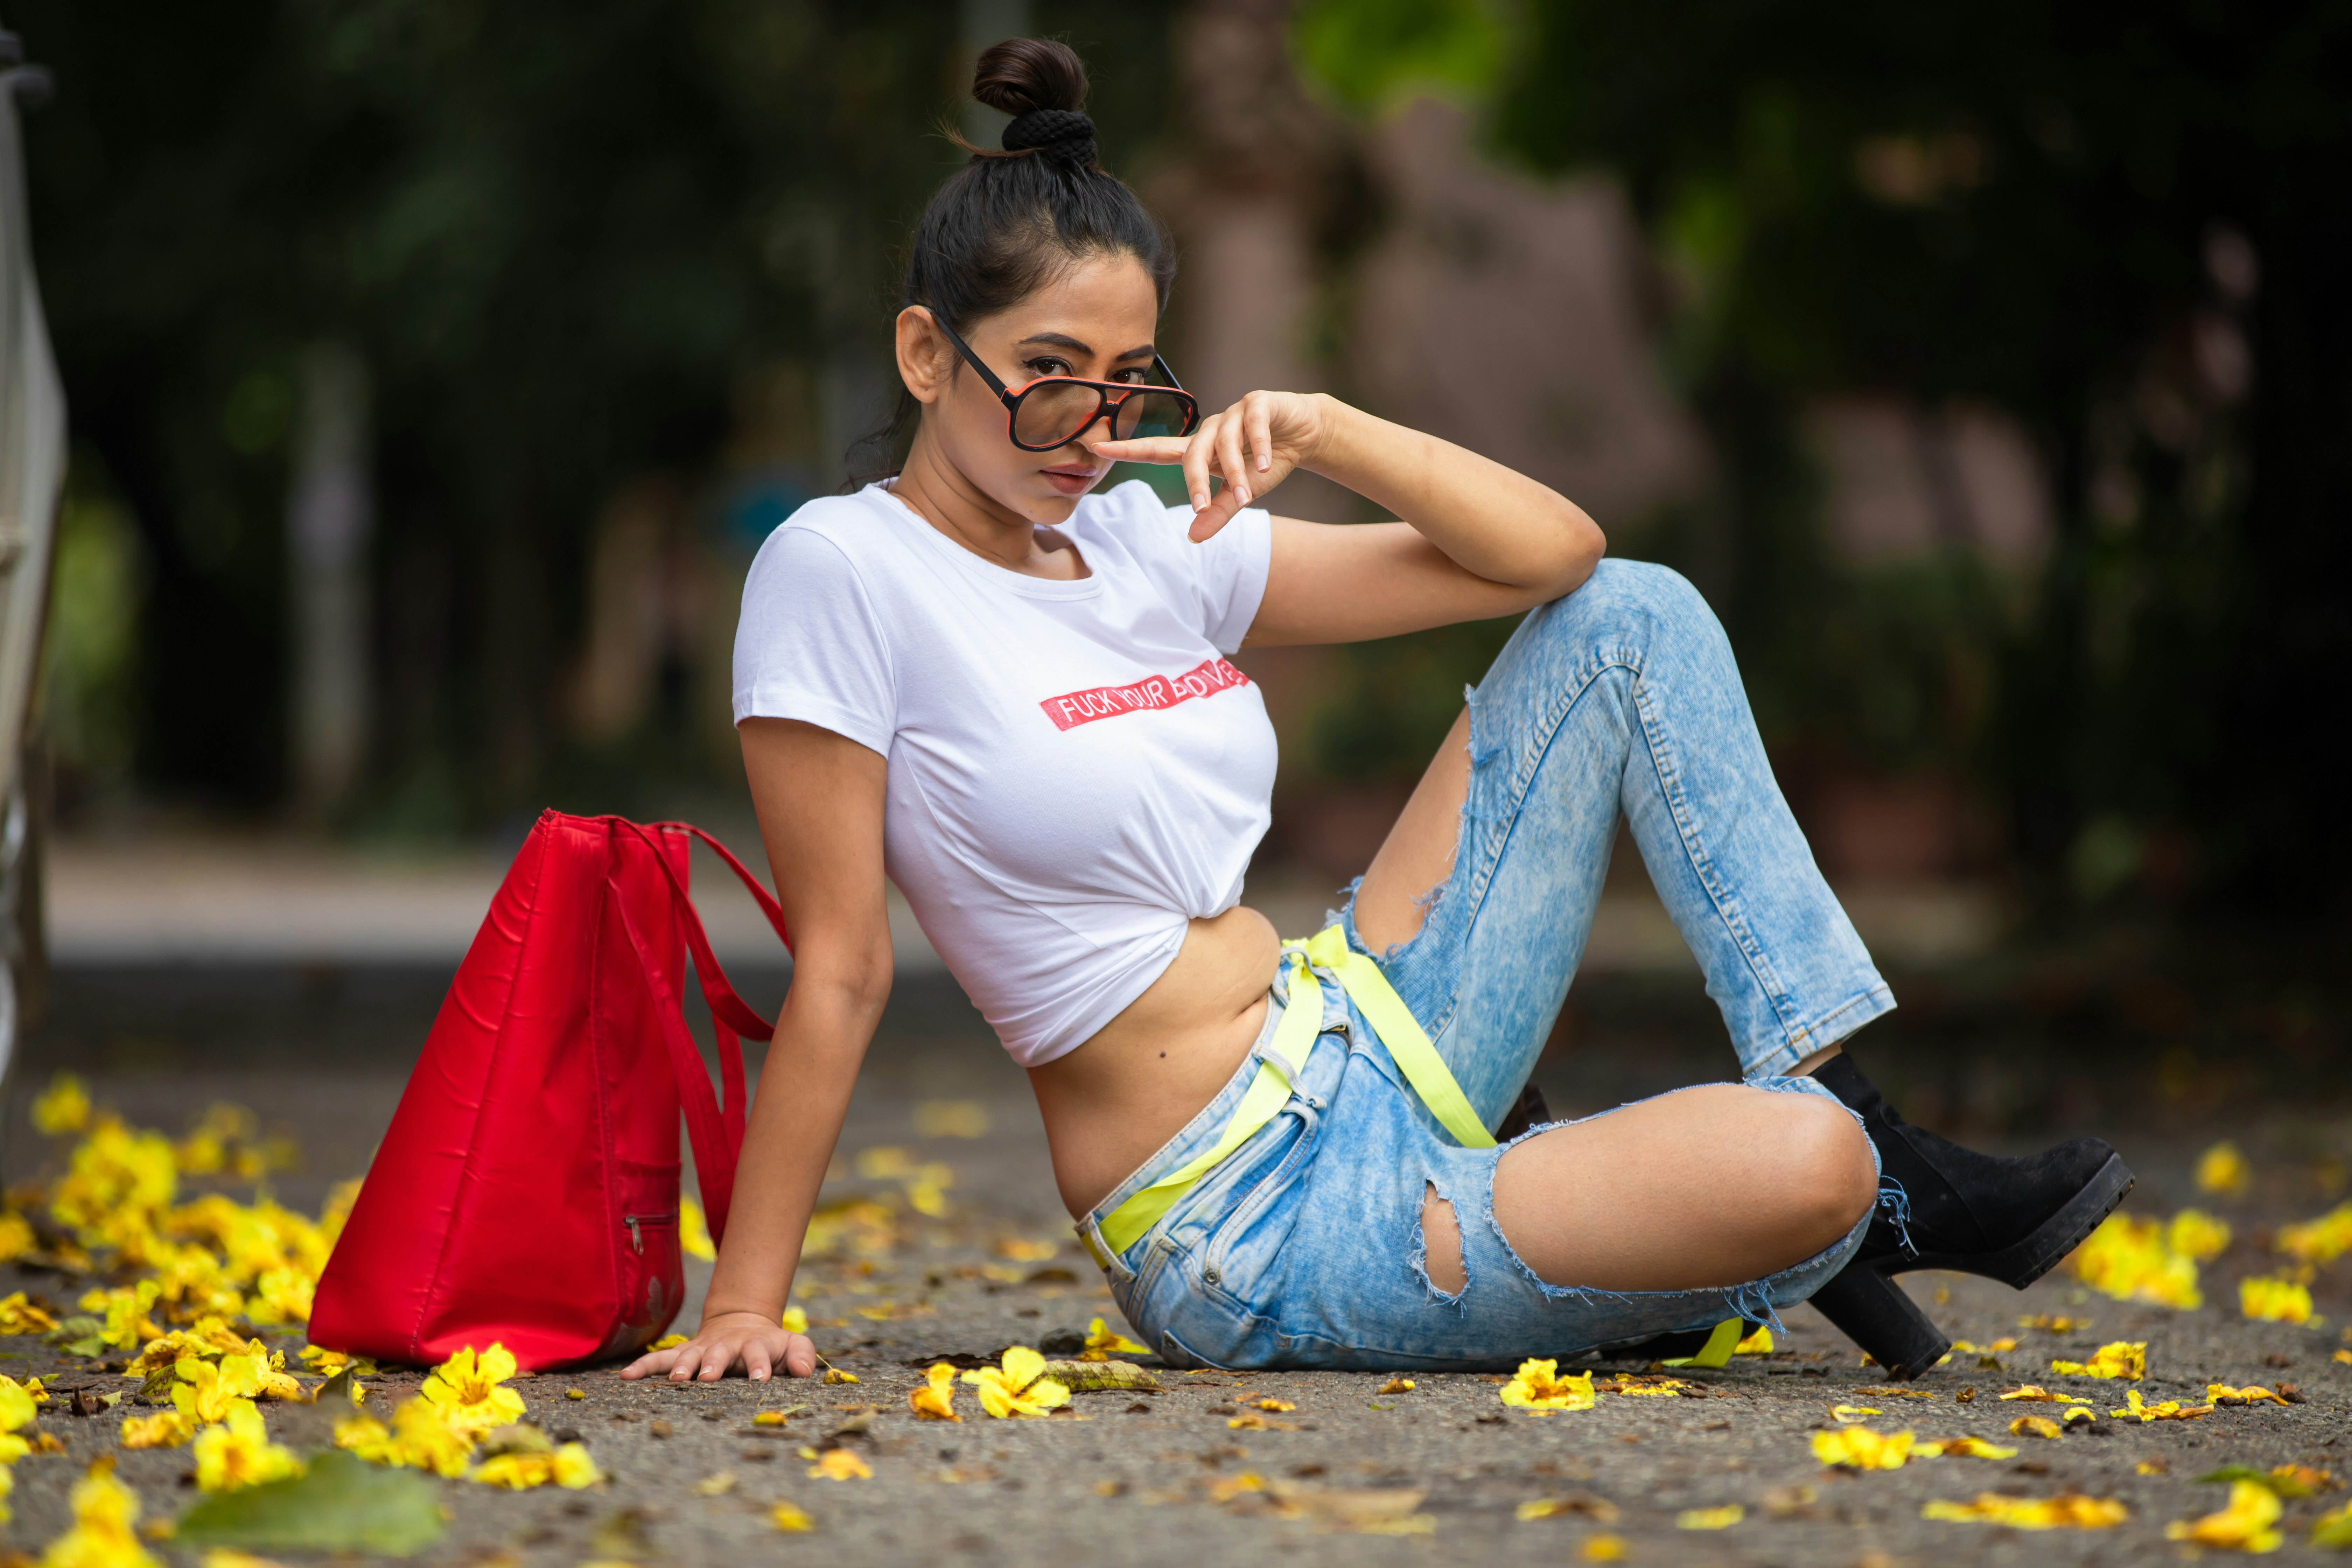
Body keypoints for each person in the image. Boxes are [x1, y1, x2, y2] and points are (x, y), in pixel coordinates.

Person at [623, 38, 2129, 1384]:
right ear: (922, 353)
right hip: (1253, 1209)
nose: (1090, 430)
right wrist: (745, 1300)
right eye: (1046, 378)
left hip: (1368, 1018)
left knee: (1636, 618)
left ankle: (1861, 1133)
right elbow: (838, 966)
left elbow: (1562, 560)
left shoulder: (1150, 534)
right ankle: (1818, 1188)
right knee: (1811, 1169)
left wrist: (1334, 428)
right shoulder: (845, 570)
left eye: (1130, 384)